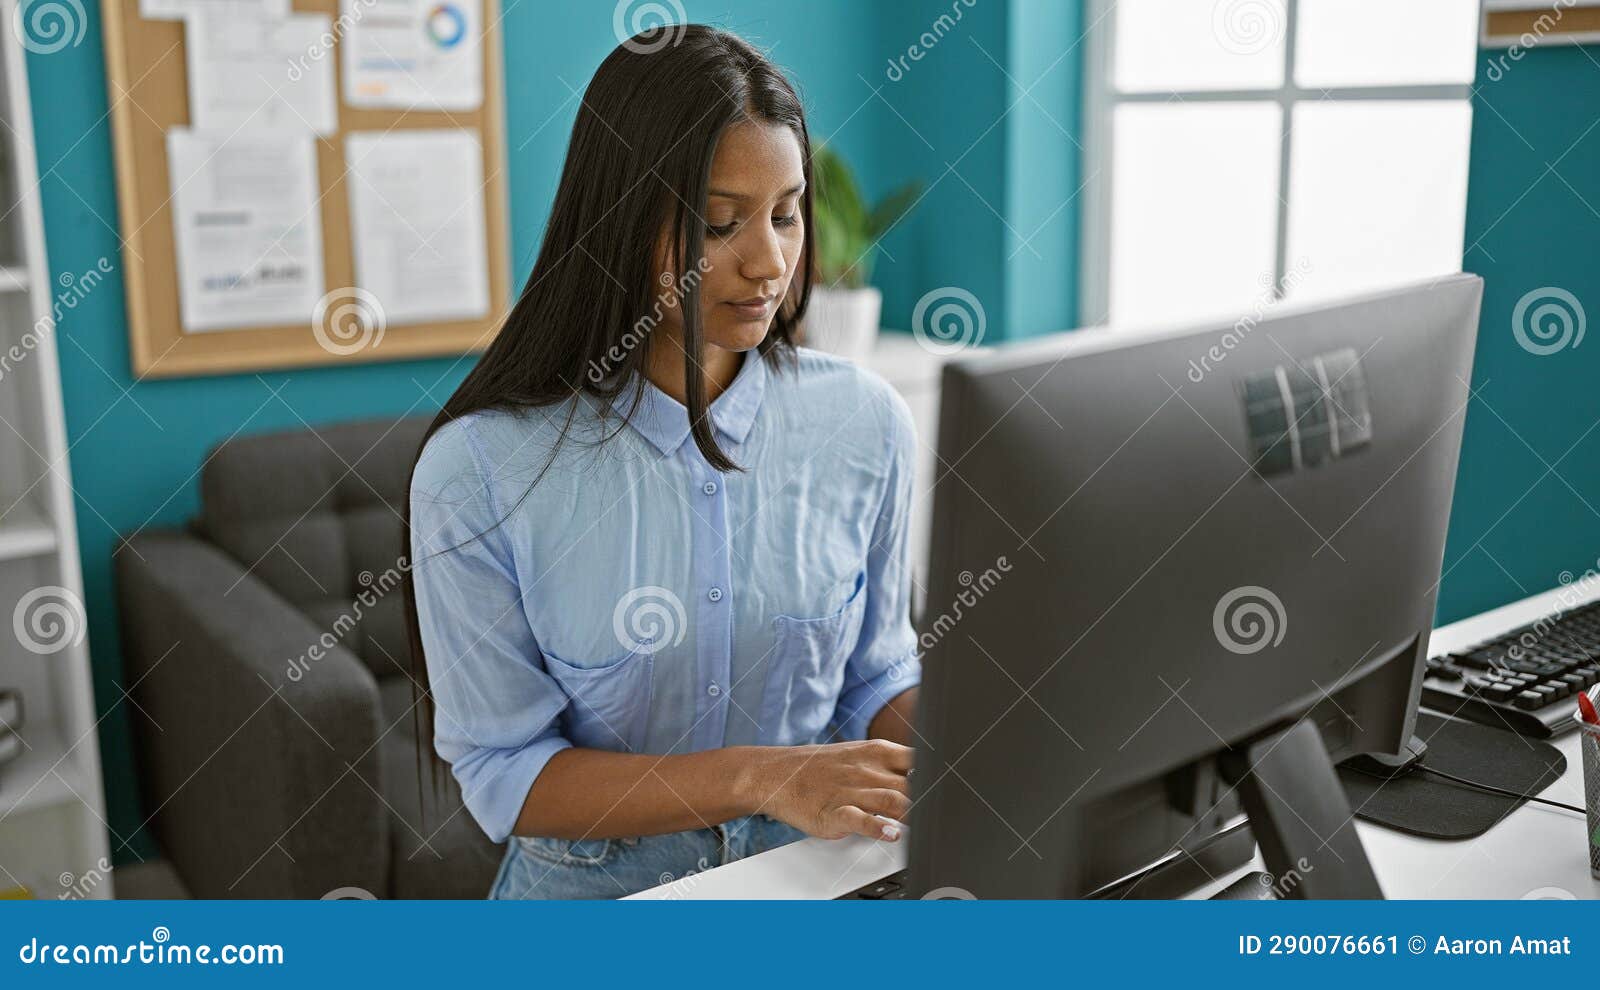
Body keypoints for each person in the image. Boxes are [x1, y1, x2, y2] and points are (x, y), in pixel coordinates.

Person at [403, 25, 920, 899]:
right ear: (621, 220)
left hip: (821, 884)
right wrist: (764, 777)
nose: (770, 262)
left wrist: (995, 742)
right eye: (719, 224)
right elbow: (507, 772)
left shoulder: (865, 423)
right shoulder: (480, 470)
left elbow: (877, 672)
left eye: (787, 213)